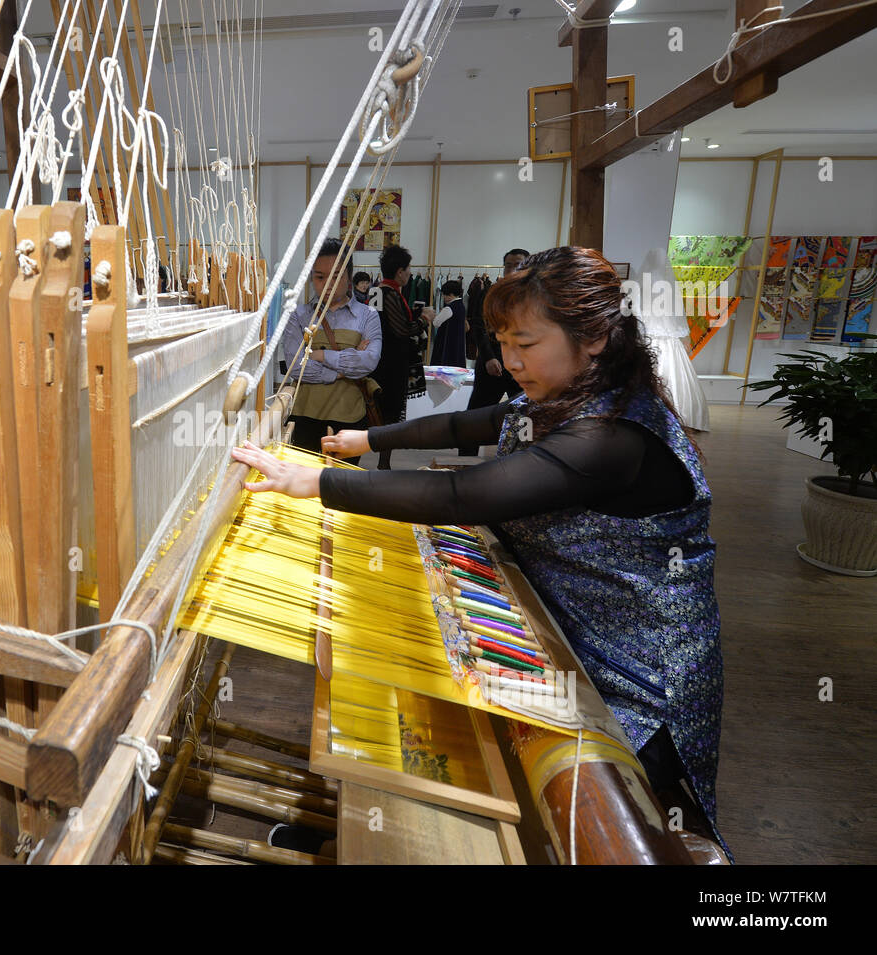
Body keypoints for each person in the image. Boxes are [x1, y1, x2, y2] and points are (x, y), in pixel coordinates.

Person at [234, 246, 728, 854]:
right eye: (502, 343)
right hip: (577, 621)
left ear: (595, 337)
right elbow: (462, 427)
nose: (508, 361)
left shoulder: (611, 434)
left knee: (627, 820)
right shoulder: (561, 397)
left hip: (641, 659)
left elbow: (466, 494)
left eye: (525, 343)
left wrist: (317, 483)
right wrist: (366, 437)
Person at [278, 237, 382, 464]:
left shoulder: (368, 316)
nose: (327, 283)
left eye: (336, 275)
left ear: (349, 275)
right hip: (305, 417)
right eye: (319, 277)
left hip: (350, 419)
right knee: (304, 488)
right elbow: (296, 367)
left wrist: (319, 355)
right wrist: (342, 371)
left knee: (343, 486)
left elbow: (370, 361)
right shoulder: (299, 316)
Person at [458, 248, 528, 455]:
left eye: (518, 264)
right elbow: (478, 325)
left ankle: (521, 461)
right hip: (492, 363)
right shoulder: (490, 292)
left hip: (522, 367)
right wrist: (488, 357)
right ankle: (465, 461)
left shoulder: (536, 296)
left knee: (525, 415)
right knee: (475, 416)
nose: (513, 268)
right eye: (509, 264)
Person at [371, 244, 433, 469]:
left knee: (381, 411)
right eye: (408, 269)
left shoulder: (377, 290)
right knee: (390, 413)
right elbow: (402, 330)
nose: (410, 273)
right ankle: (383, 464)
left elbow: (382, 323)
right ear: (399, 271)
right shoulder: (391, 294)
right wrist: (424, 319)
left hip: (379, 360)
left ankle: (382, 461)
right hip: (392, 364)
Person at [430, 279, 466, 367]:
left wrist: (432, 314)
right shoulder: (461, 306)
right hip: (457, 341)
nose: (443, 297)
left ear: (451, 294)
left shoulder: (449, 308)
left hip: (447, 342)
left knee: (443, 366)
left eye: (444, 294)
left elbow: (436, 323)